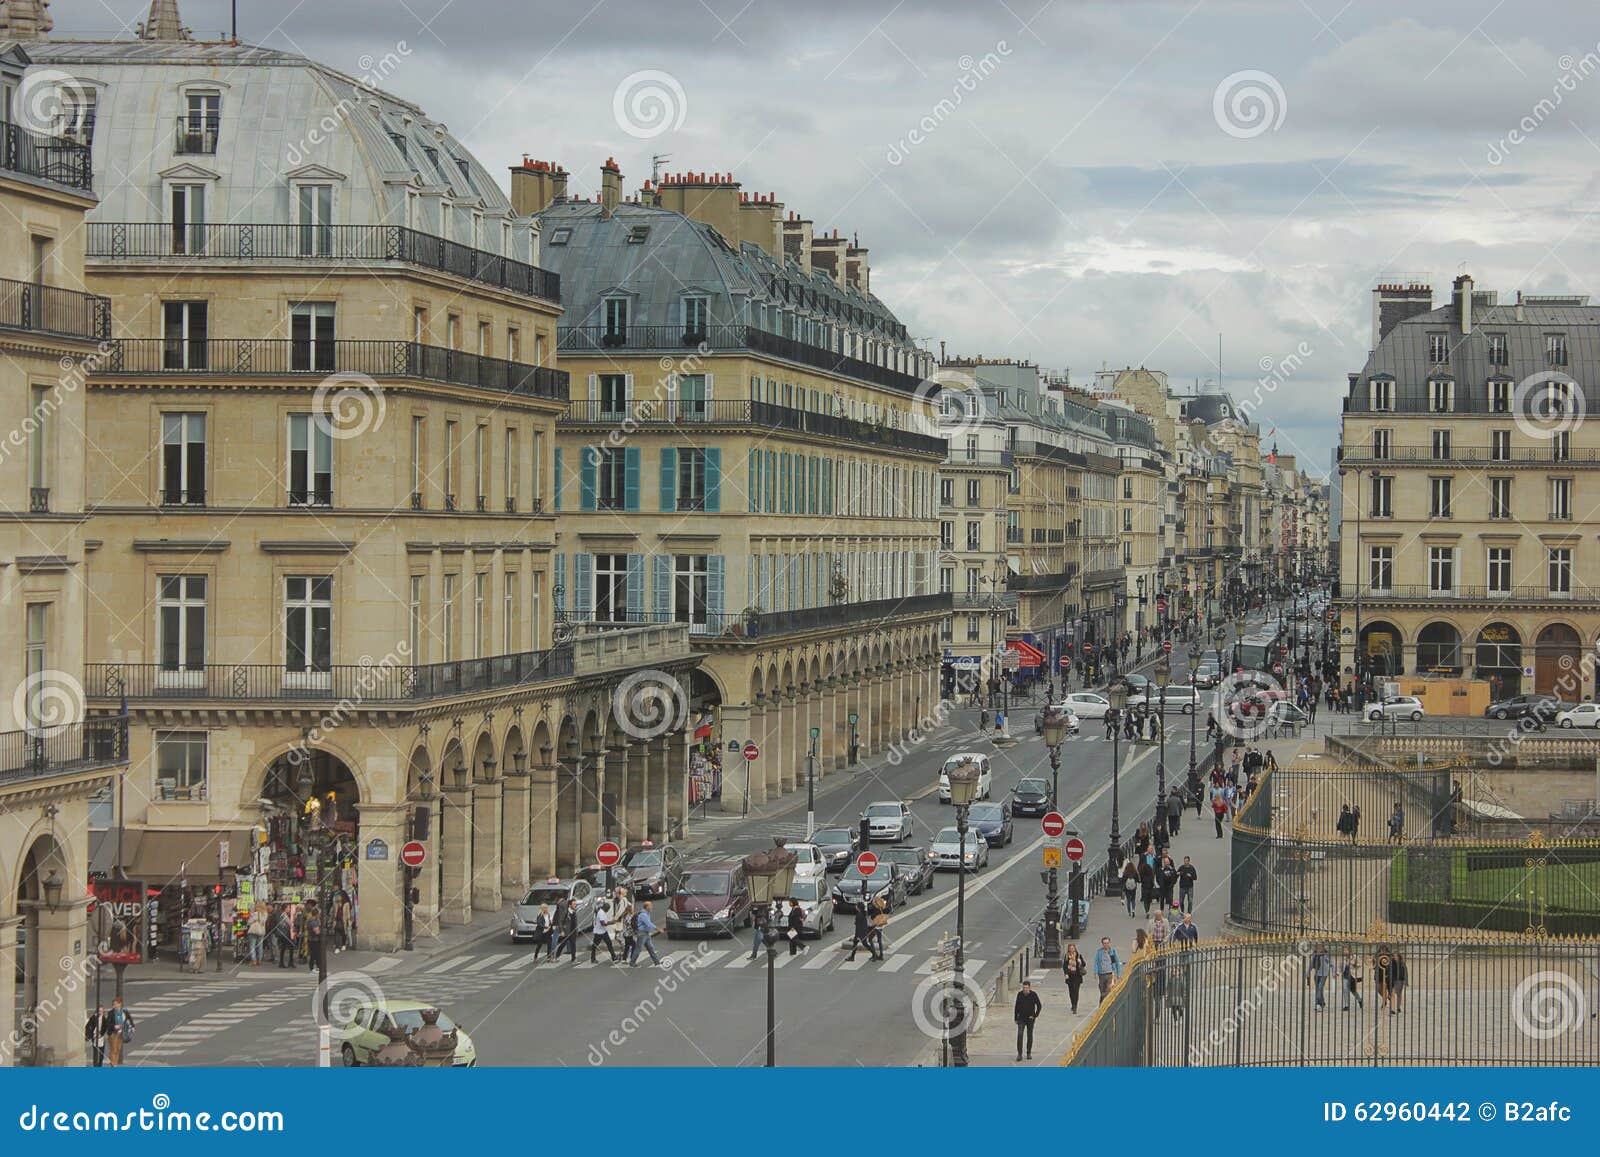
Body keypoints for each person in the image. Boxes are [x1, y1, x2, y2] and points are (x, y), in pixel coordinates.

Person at [1013, 980, 1042, 1061]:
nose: (1025, 989)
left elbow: (1039, 1005)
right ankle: (1019, 1054)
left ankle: (1028, 1052)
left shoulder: (1033, 994)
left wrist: (1035, 1016)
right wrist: (1015, 1018)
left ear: (1029, 988)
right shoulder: (1020, 994)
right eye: (1024, 988)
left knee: (1029, 1035)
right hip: (1021, 1018)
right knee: (1020, 1035)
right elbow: (1016, 1006)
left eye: (1026, 988)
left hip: (1030, 1019)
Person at [629, 901, 663, 966]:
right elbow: (649, 924)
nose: (652, 907)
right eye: (650, 906)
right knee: (638, 948)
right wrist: (658, 929)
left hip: (646, 933)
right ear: (647, 907)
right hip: (642, 934)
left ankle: (656, 962)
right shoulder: (643, 915)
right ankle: (632, 962)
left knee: (651, 948)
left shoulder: (646, 913)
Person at [105, 997, 133, 1067]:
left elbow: (129, 1018)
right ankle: (113, 1064)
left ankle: (115, 1063)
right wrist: (114, 1026)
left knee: (118, 1049)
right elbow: (107, 1023)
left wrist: (132, 1026)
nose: (114, 1006)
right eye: (113, 1004)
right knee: (113, 1049)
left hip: (121, 1032)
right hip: (113, 1033)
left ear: (120, 1004)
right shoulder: (111, 1013)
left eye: (116, 1004)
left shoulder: (124, 1012)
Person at [1093, 936, 1122, 1002]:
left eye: (1107, 943)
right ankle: (1102, 1004)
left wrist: (1118, 974)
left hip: (1110, 974)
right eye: (1104, 943)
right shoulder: (1099, 952)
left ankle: (1104, 1004)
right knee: (1102, 991)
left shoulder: (1112, 952)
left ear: (1110, 943)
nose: (1106, 945)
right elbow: (1096, 962)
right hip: (1101, 974)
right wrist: (1095, 972)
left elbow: (1116, 963)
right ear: (1102, 944)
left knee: (1108, 990)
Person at [590, 897, 617, 963]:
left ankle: (613, 957)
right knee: (595, 945)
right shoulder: (601, 913)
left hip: (604, 931)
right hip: (599, 932)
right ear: (605, 908)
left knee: (609, 943)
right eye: (608, 909)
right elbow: (603, 923)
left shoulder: (602, 912)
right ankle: (592, 958)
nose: (608, 910)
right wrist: (611, 922)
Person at [1306, 943, 1333, 1010]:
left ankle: (1317, 1004)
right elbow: (1311, 964)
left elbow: (1332, 963)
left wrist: (1334, 972)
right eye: (1317, 948)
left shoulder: (1326, 955)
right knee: (1319, 990)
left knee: (1320, 988)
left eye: (1320, 947)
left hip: (1324, 974)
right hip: (1317, 974)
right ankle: (1323, 1003)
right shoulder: (1314, 955)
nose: (1318, 949)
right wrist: (1308, 972)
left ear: (1323, 948)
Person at [1062, 943, 1087, 1013]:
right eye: (1070, 948)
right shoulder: (1067, 956)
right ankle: (1072, 1004)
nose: (1071, 950)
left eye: (1073, 948)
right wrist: (1066, 974)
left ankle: (1075, 1005)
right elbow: (1064, 966)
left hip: (1077, 976)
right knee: (1071, 991)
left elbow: (1084, 964)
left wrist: (1080, 962)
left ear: (1075, 949)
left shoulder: (1078, 955)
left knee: (1076, 991)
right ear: (1068, 949)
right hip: (1070, 976)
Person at [556, 898, 579, 962]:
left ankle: (573, 958)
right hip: (566, 931)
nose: (575, 905)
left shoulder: (574, 911)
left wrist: (576, 930)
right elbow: (560, 921)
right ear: (570, 905)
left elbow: (575, 921)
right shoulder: (565, 912)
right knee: (563, 944)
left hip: (573, 931)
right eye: (574, 904)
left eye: (575, 904)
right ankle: (557, 956)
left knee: (573, 944)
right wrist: (561, 931)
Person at [305, 903, 324, 974]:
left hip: (315, 940)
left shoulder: (316, 920)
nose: (319, 915)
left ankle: (317, 967)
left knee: (317, 955)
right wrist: (321, 931)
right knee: (314, 955)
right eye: (319, 914)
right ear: (316, 914)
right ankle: (312, 968)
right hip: (313, 940)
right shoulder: (312, 922)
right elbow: (317, 932)